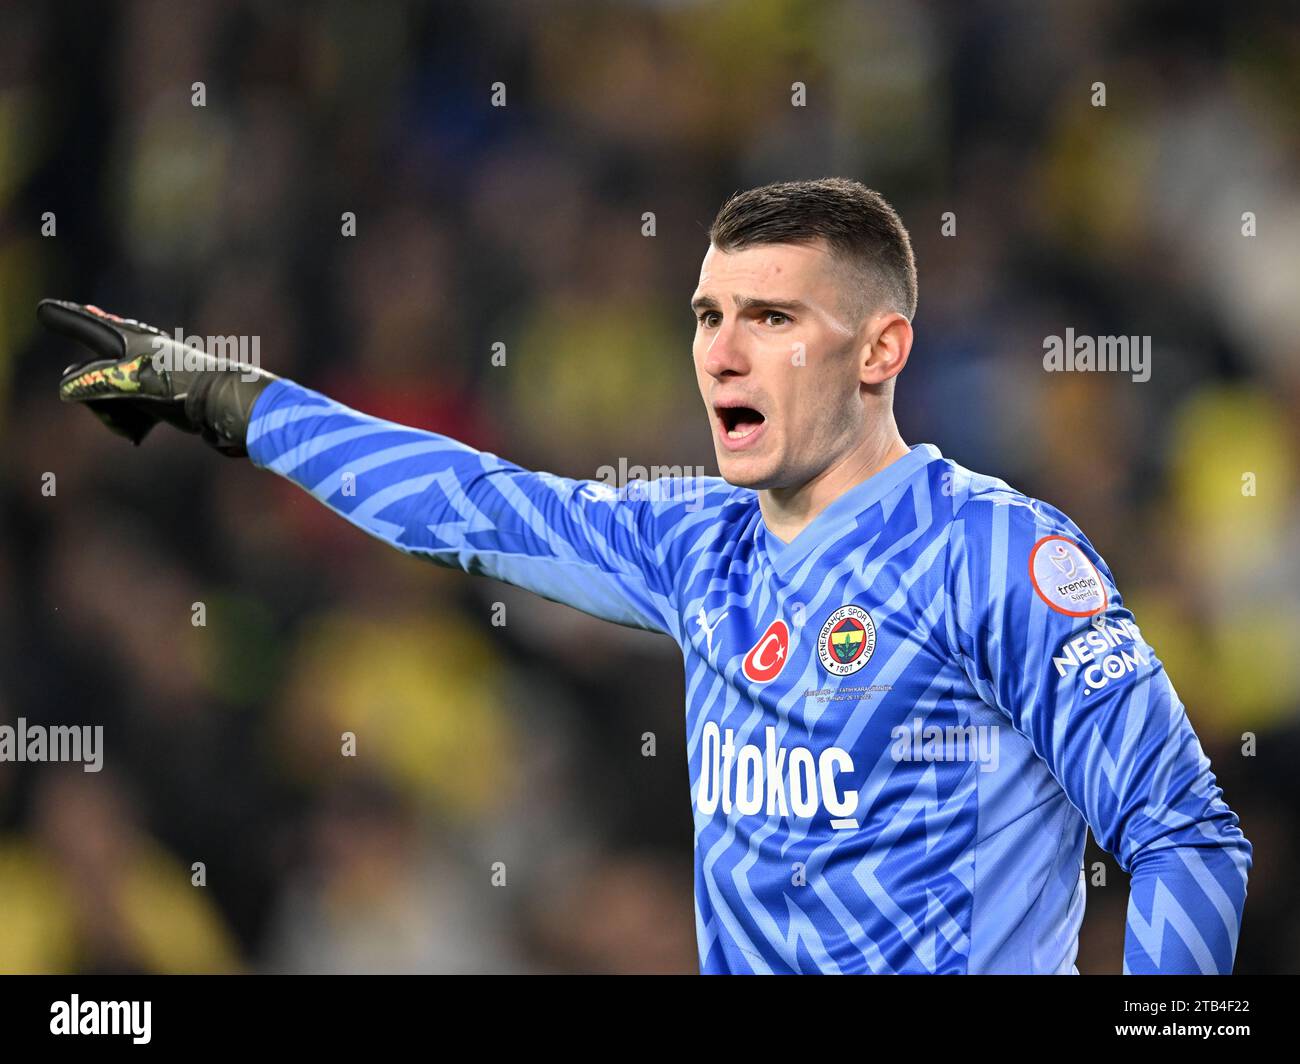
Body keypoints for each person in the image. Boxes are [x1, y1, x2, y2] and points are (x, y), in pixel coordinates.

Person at [39, 177, 1251, 974]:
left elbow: (1187, 836)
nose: (720, 349)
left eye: (771, 318)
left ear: (882, 347)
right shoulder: (695, 543)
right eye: (706, 311)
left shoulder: (998, 557)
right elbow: (465, 503)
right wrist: (228, 399)